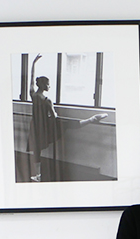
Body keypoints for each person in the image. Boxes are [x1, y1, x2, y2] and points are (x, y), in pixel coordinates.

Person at [26, 53, 107, 182]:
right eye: (48, 84)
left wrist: (33, 64)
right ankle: (91, 119)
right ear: (43, 85)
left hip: (35, 126)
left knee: (37, 151)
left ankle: (38, 175)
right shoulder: (47, 100)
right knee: (66, 123)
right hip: (45, 126)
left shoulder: (32, 94)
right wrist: (55, 116)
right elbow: (54, 117)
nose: (49, 86)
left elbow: (30, 79)